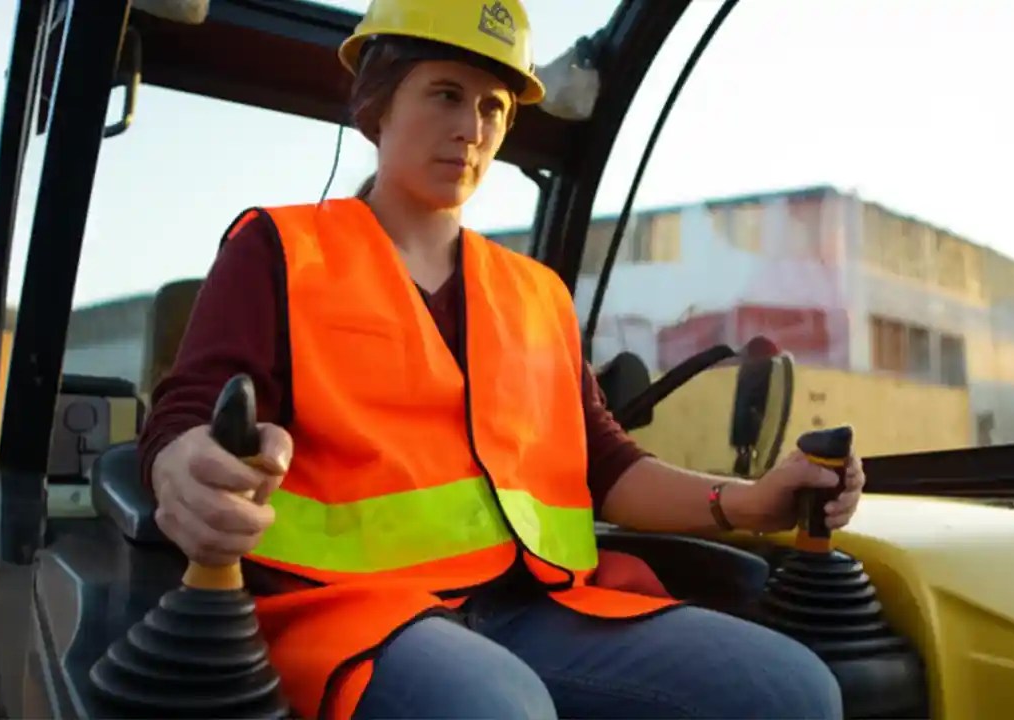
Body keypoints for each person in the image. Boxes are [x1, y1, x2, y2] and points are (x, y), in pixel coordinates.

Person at [138, 0, 866, 717]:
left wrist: (748, 500)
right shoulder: (280, 250)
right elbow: (186, 419)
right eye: (446, 94)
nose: (470, 129)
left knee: (791, 688)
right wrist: (187, 472)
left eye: (492, 109)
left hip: (536, 605)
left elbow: (604, 467)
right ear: (378, 104)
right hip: (354, 613)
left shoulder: (536, 293)